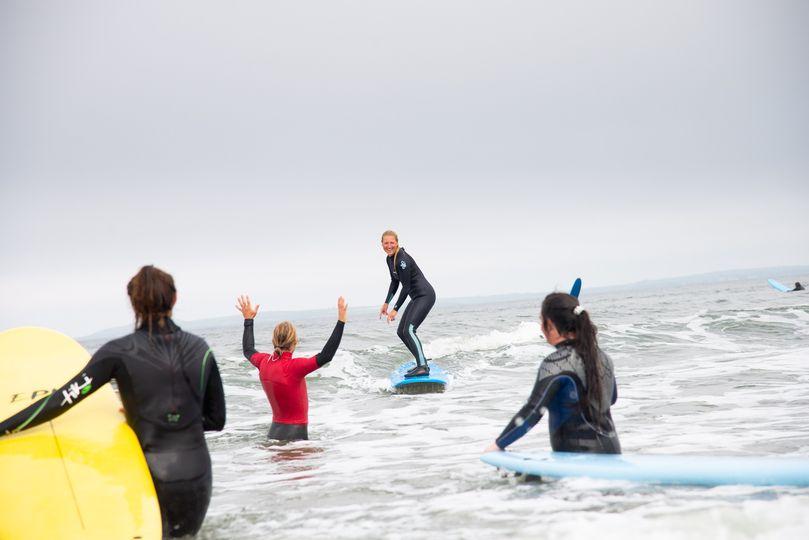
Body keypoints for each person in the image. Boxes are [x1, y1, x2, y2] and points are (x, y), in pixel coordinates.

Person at [0, 265, 226, 537]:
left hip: (151, 477)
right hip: (197, 477)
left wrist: (5, 426)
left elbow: (62, 400)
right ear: (175, 299)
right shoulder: (200, 348)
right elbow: (216, 420)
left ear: (133, 304)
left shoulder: (118, 352)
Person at [486, 292, 620, 454]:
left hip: (577, 460)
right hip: (613, 452)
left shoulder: (556, 363)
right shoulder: (603, 357)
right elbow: (610, 399)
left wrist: (498, 444)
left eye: (541, 321)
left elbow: (532, 412)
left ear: (549, 324)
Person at [237, 294, 346, 441]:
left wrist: (248, 320)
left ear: (273, 340)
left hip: (273, 435)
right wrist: (341, 321)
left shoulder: (264, 362)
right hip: (295, 439)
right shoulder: (294, 367)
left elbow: (248, 350)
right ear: (295, 342)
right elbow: (326, 356)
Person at [379, 230, 436, 378]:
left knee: (409, 330)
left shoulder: (401, 259)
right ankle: (420, 362)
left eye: (392, 242)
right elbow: (395, 281)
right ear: (382, 244)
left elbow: (406, 287)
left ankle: (423, 366)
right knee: (401, 332)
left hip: (425, 296)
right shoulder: (389, 259)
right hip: (416, 297)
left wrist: (395, 309)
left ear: (397, 242)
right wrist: (386, 303)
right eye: (386, 243)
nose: (389, 245)